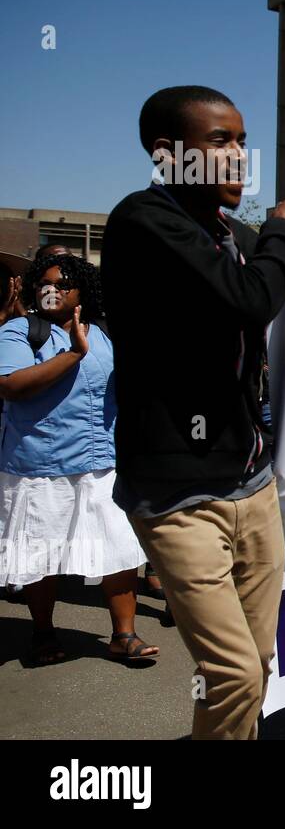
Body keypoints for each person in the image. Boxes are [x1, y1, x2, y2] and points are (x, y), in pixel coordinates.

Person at [102, 85, 285, 738]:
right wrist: (283, 229)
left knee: (256, 664)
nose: (238, 157)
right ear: (168, 154)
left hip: (251, 486)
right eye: (219, 141)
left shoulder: (233, 234)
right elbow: (251, 299)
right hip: (179, 499)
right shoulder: (145, 223)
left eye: (243, 141)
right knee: (233, 676)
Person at [0, 254, 155, 663]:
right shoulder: (20, 331)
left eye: (64, 283)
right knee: (40, 554)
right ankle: (43, 634)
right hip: (39, 466)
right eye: (44, 283)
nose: (52, 289)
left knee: (118, 550)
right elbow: (12, 385)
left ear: (83, 291)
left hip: (100, 463)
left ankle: (124, 635)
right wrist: (72, 354)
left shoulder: (104, 334)